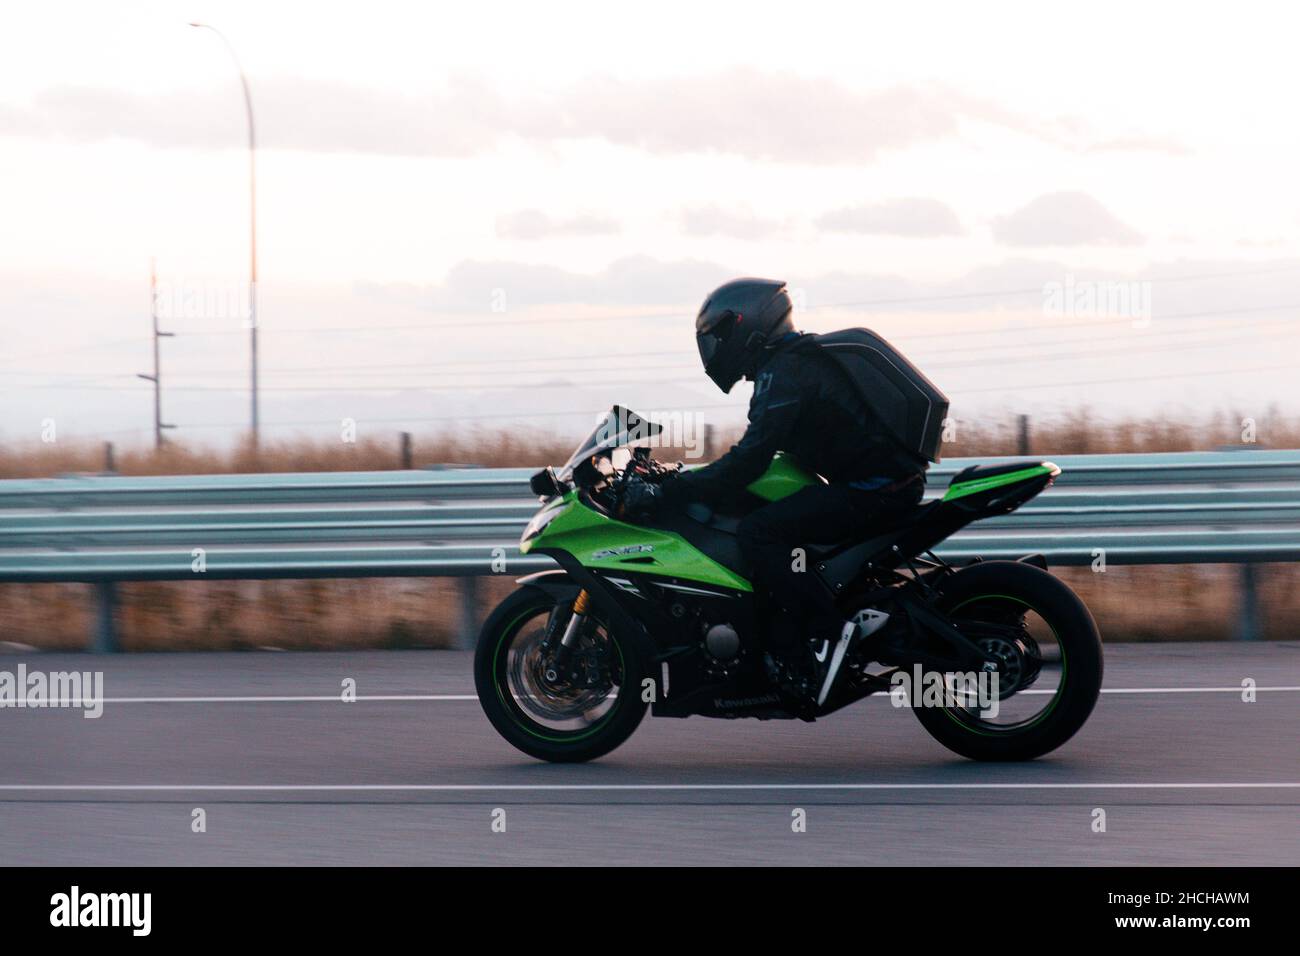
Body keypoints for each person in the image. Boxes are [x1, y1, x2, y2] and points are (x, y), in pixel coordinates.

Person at [623, 277, 927, 711]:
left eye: (720, 337)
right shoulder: (790, 365)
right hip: (877, 485)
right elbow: (760, 456)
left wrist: (673, 488)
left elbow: (751, 459)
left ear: (749, 325)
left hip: (873, 491)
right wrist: (683, 478)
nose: (716, 349)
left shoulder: (785, 372)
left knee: (759, 533)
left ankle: (828, 634)